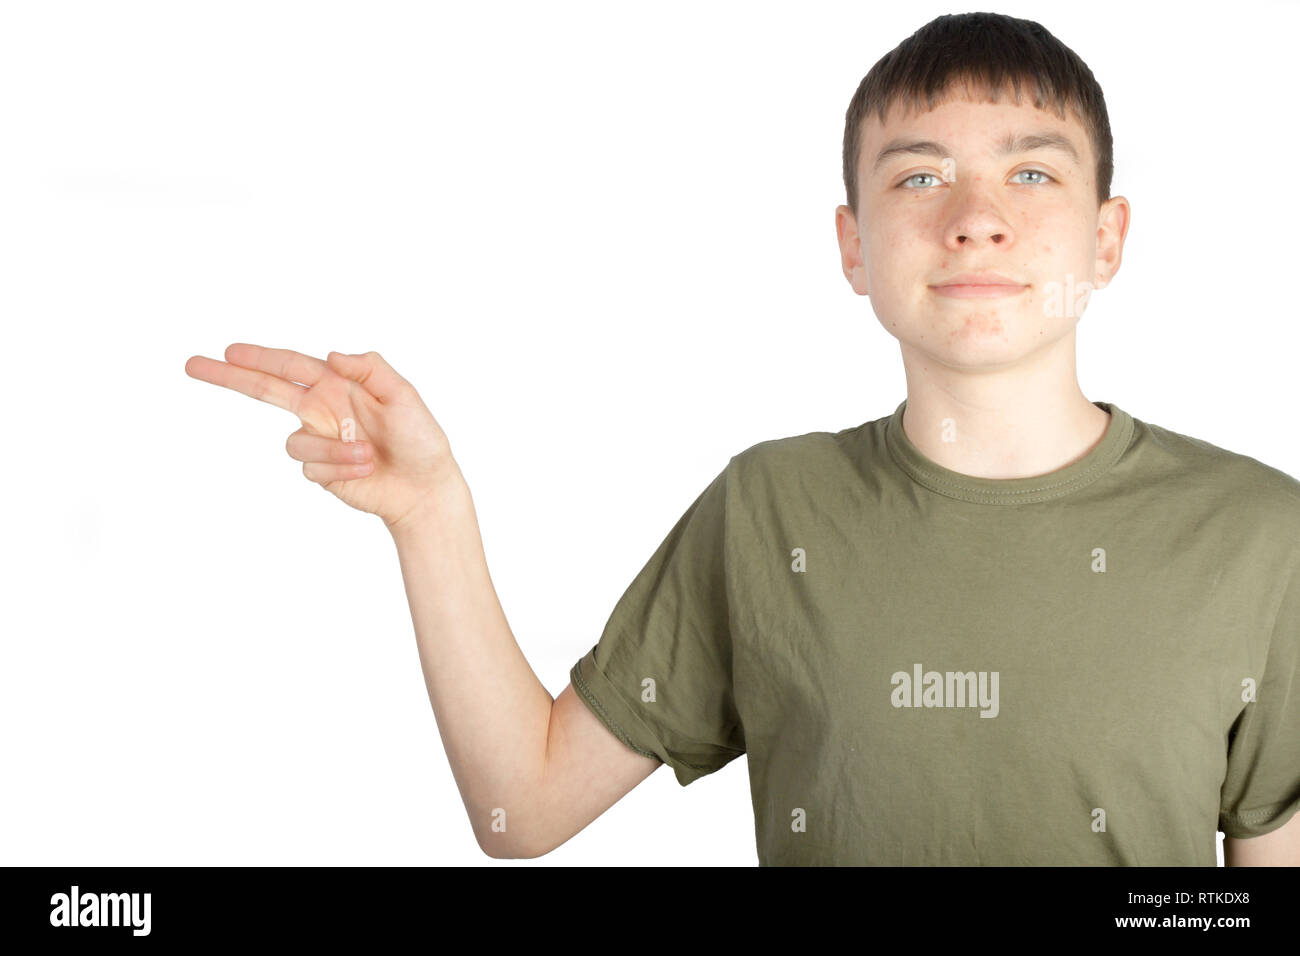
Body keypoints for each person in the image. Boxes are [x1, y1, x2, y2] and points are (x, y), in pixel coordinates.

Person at [185, 11, 1300, 865]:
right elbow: (517, 809)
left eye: (1030, 170)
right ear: (853, 246)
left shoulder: (1260, 536)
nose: (973, 213)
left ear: (1106, 236)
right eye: (918, 174)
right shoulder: (770, 509)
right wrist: (432, 515)